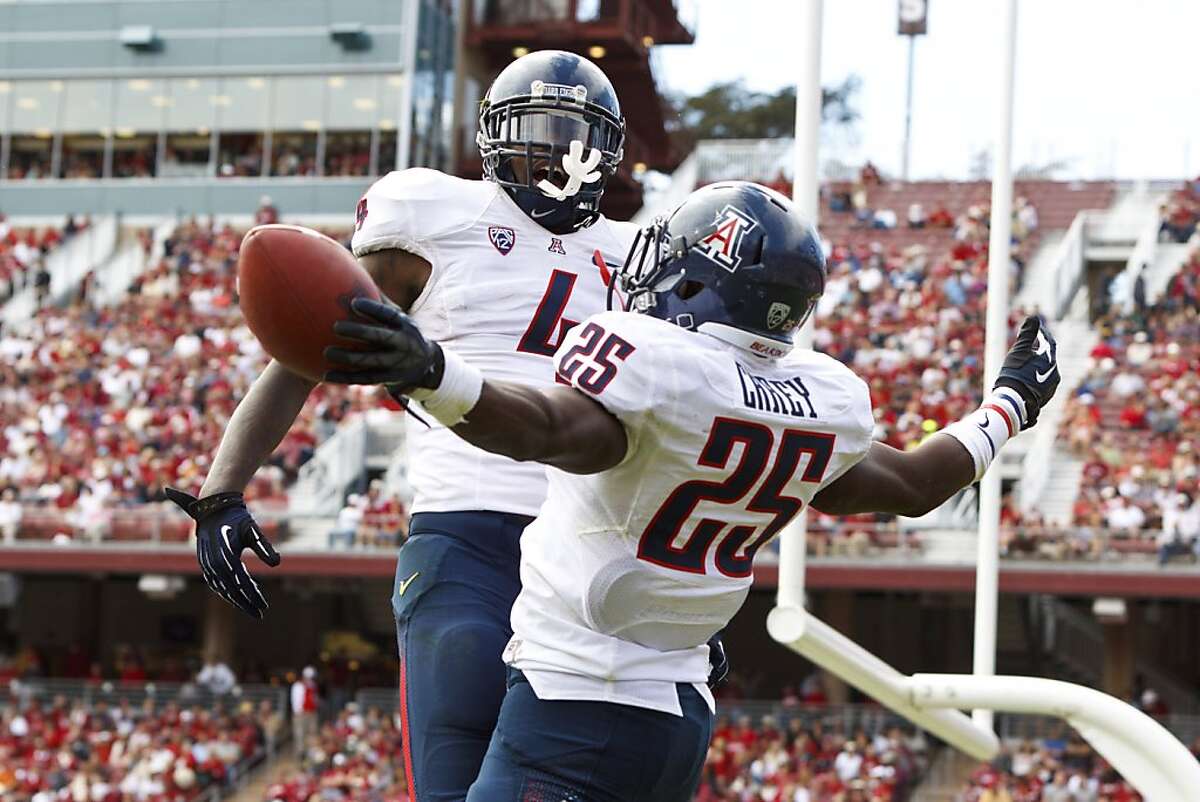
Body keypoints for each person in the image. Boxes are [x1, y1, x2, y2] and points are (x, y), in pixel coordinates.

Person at [320, 181, 1061, 801]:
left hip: (576, 705)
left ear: (700, 282)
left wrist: (434, 372)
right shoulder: (814, 400)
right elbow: (916, 483)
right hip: (679, 716)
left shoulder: (659, 367)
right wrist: (1008, 406)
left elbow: (547, 428)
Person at [165, 50, 649, 801]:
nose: (560, 153)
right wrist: (220, 489)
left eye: (578, 137)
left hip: (590, 547)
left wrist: (680, 603)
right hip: (468, 532)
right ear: (495, 137)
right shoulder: (437, 214)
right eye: (542, 131)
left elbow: (666, 430)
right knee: (453, 771)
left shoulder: (639, 257)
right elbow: (305, 354)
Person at [290, 666, 319, 756]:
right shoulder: (298, 686)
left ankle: (310, 751)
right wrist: (297, 712)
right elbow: (295, 699)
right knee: (300, 733)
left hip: (311, 712)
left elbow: (314, 698)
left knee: (311, 732)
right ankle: (300, 752)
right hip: (301, 713)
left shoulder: (313, 685)